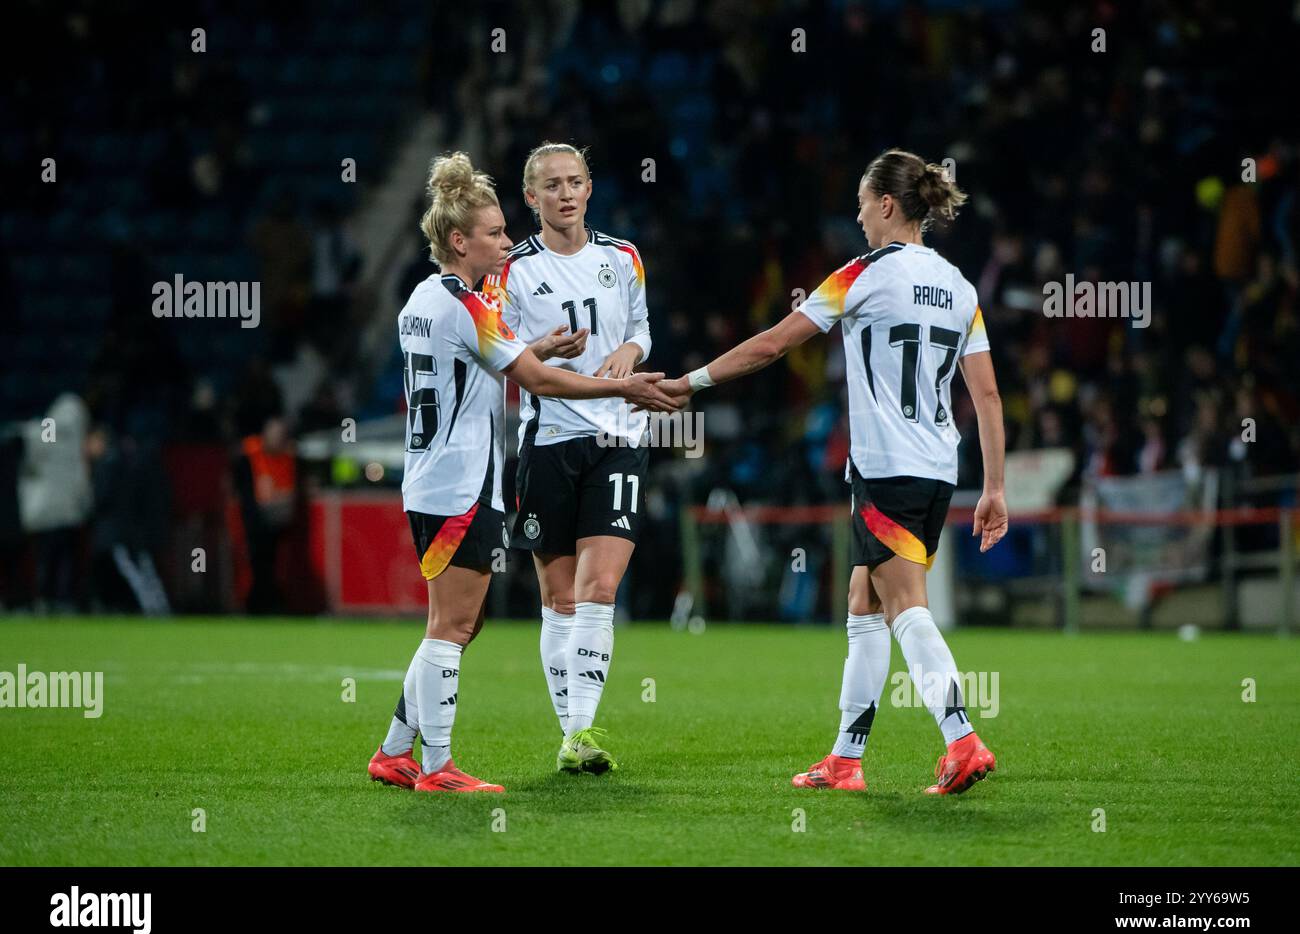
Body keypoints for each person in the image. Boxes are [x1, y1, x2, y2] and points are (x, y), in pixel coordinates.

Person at [659, 149, 1009, 796]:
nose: (856, 216)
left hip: (887, 469)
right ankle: (845, 760)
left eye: (860, 203)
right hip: (938, 468)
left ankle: (961, 738)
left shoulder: (864, 275)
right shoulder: (960, 287)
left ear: (885, 204)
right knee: (863, 600)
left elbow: (774, 344)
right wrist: (993, 487)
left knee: (904, 605)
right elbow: (986, 396)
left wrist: (691, 382)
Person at [366, 152, 676, 794]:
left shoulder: (424, 299)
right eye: (494, 234)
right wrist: (621, 387)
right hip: (462, 483)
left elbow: (483, 360)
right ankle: (436, 767)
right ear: (461, 241)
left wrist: (534, 351)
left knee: (466, 622)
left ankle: (397, 748)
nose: (505, 244)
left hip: (433, 479)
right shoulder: (476, 303)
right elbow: (528, 379)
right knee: (452, 626)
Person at [483, 143, 652, 774]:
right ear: (530, 198)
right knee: (558, 599)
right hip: (548, 440)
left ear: (590, 187)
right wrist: (540, 349)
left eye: (575, 181)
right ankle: (572, 733)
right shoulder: (512, 270)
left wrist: (630, 354)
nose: (565, 194)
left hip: (617, 439)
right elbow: (500, 352)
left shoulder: (623, 255)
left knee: (599, 587)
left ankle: (580, 732)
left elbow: (642, 325)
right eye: (551, 185)